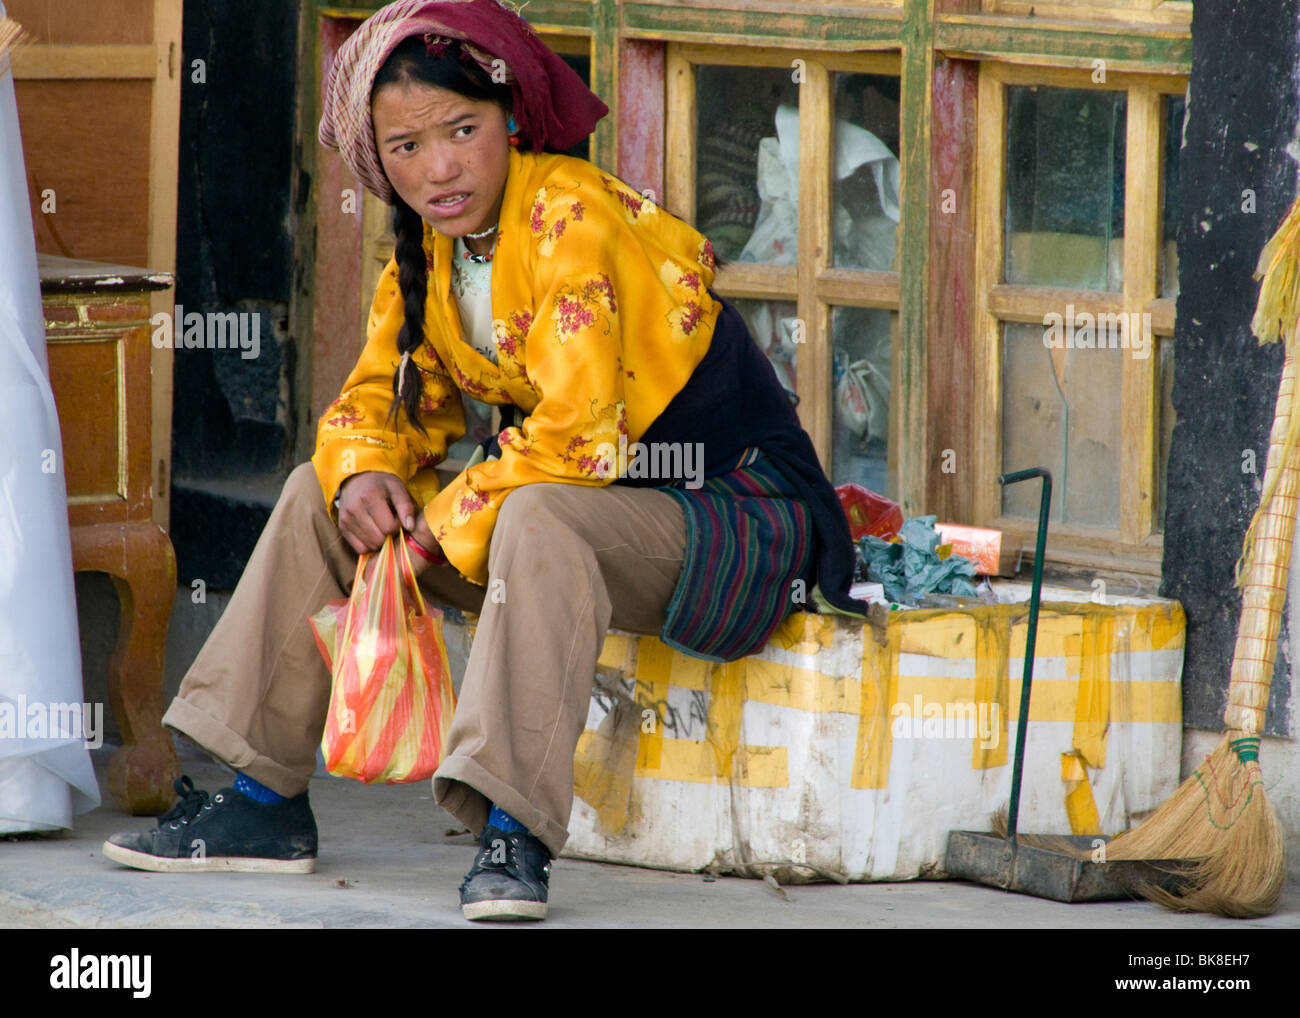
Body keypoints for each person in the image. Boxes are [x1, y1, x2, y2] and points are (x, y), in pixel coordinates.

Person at [103, 0, 865, 921]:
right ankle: (263, 803)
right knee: (319, 491)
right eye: (407, 147)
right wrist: (367, 477)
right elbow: (370, 405)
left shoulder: (571, 215)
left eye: (462, 131)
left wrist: (438, 530)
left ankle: (514, 829)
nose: (440, 168)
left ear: (509, 120)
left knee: (536, 514)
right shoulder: (427, 254)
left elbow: (582, 440)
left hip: (734, 521)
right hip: (580, 519)